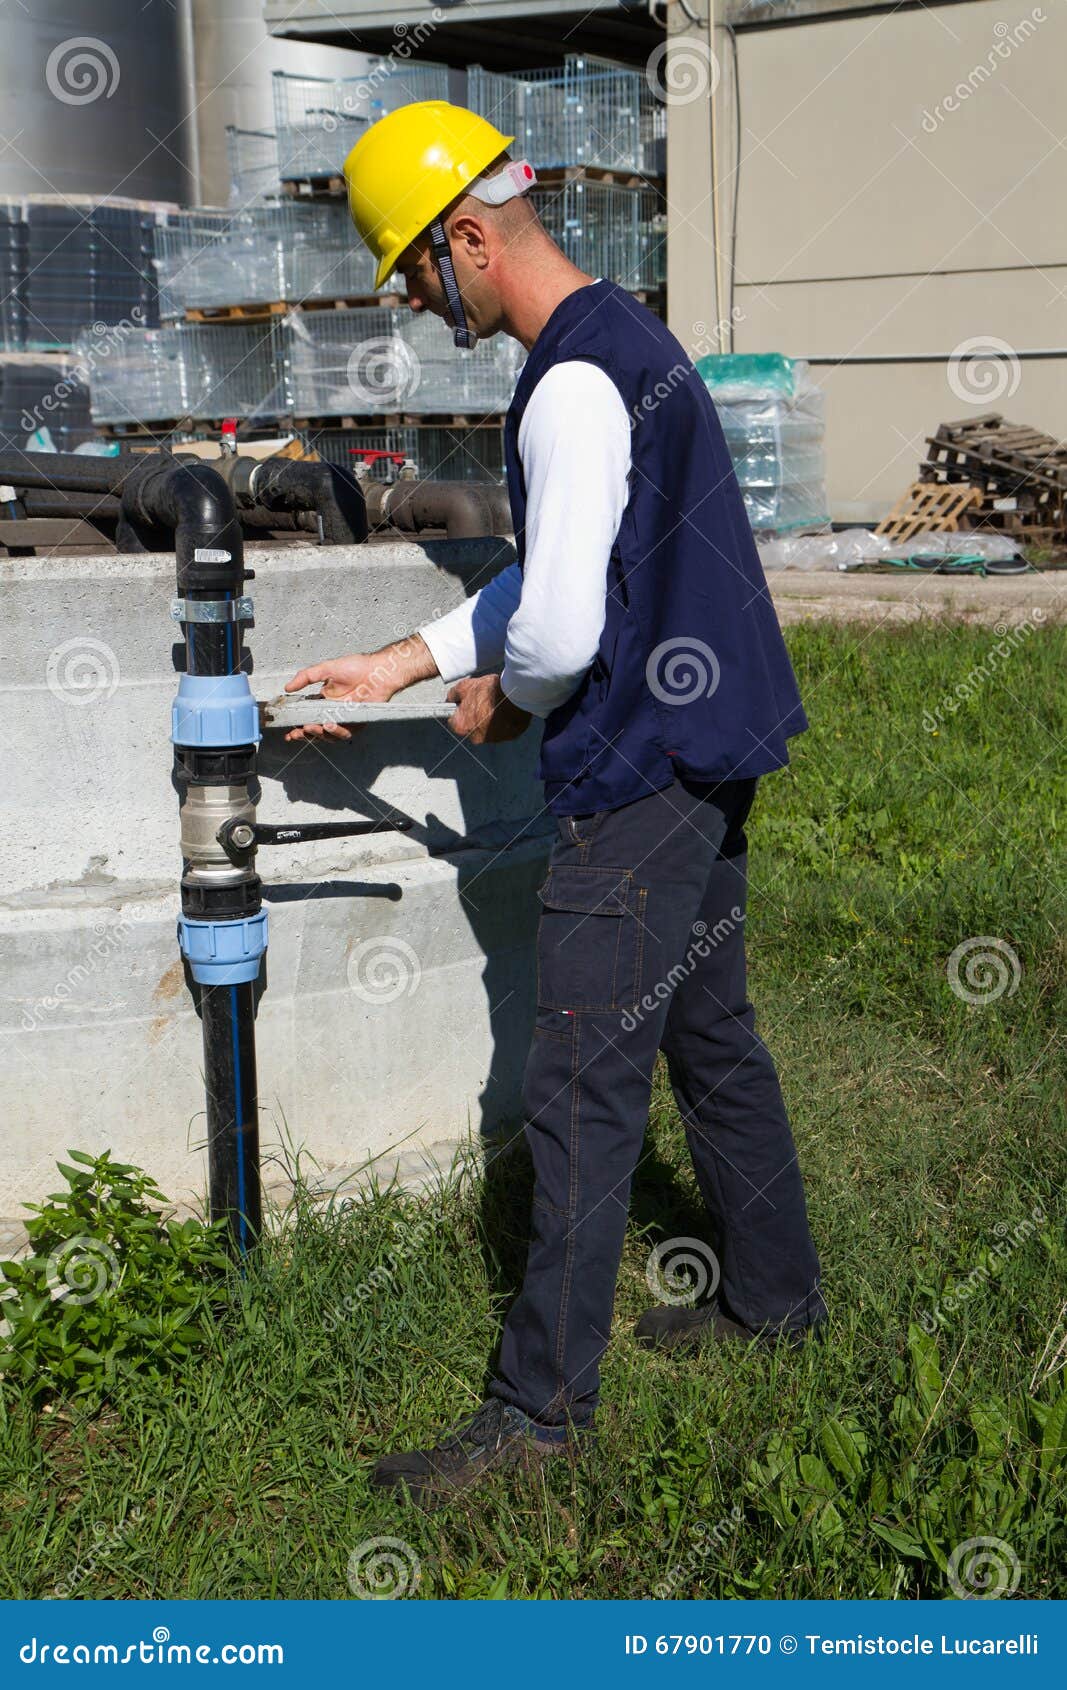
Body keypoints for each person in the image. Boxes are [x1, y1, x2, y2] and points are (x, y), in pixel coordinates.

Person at [284, 102, 825, 1507]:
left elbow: (566, 628)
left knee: (579, 1088)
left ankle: (536, 1419)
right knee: (712, 1034)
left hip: (642, 764)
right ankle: (776, 1297)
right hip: (705, 744)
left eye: (415, 269)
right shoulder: (621, 344)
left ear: (473, 235)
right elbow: (567, 568)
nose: (416, 299)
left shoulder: (573, 383)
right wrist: (406, 659)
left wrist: (510, 698)